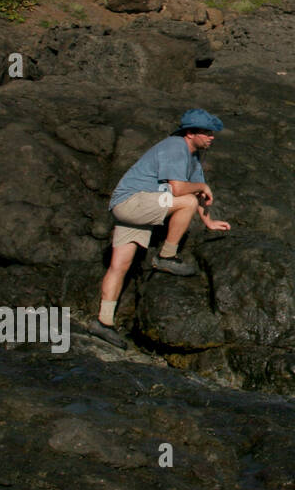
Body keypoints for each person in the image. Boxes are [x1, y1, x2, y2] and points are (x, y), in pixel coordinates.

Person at [89, 109, 232, 348]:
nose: (212, 137)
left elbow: (194, 191)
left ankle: (102, 322)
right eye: (207, 132)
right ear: (190, 133)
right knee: (184, 202)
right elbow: (178, 190)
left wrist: (208, 221)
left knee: (119, 265)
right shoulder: (175, 146)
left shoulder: (194, 157)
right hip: (133, 202)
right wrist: (202, 186)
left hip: (137, 207)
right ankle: (167, 255)